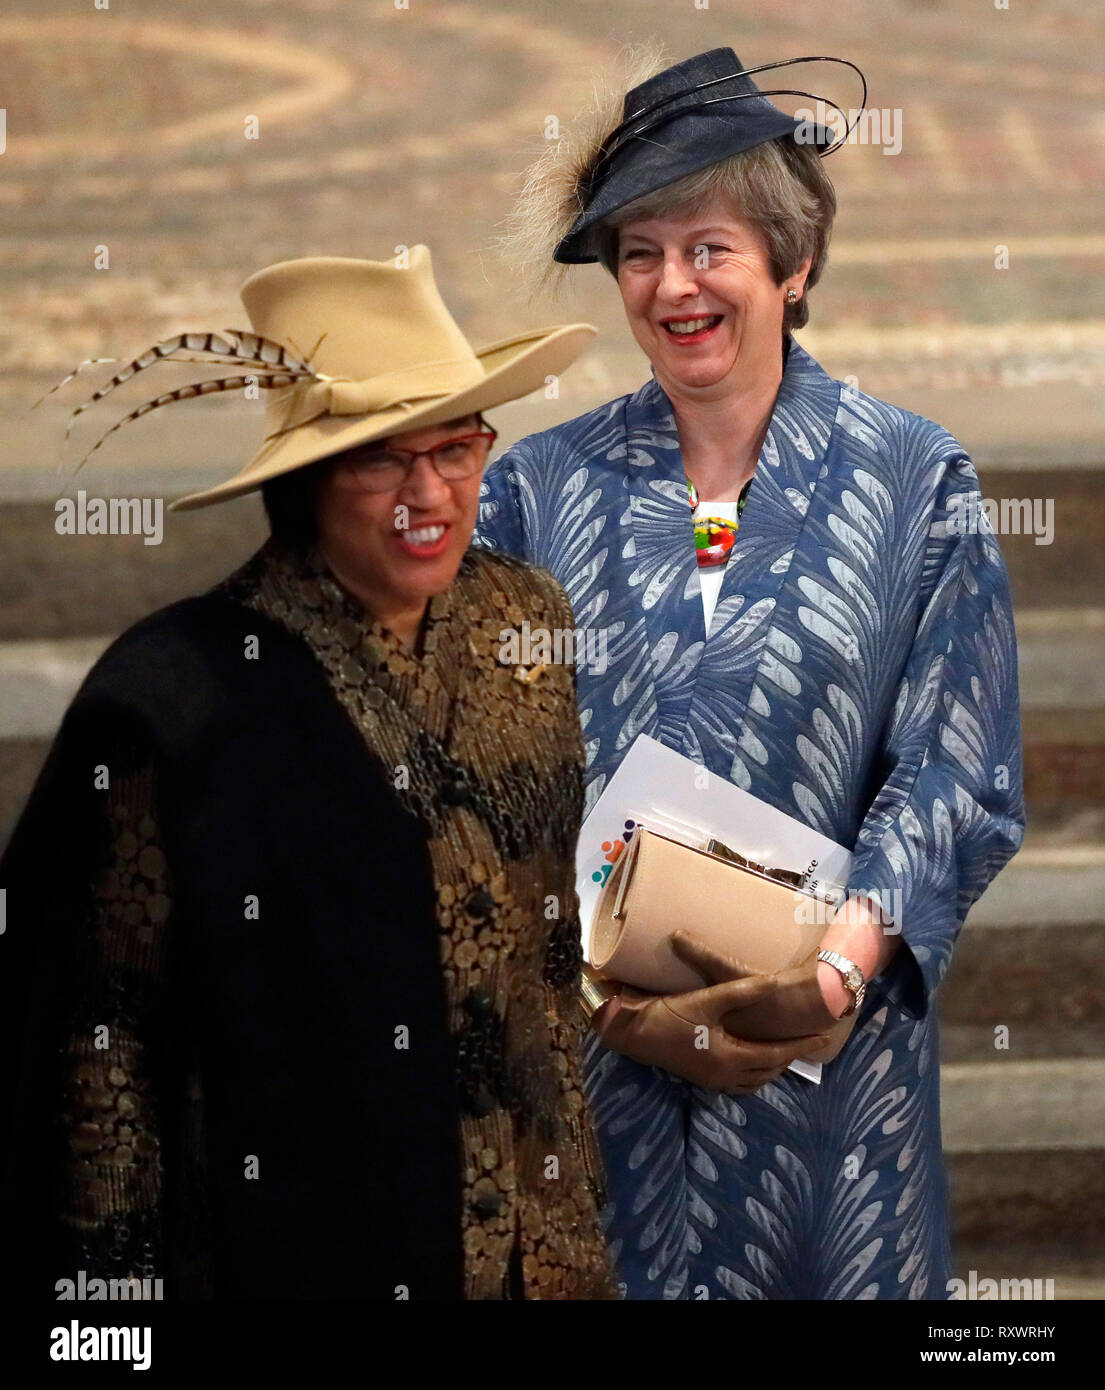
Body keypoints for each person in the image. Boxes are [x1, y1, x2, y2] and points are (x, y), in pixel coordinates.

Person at [474, 47, 1026, 1299]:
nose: (673, 285)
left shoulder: (912, 481)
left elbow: (958, 765)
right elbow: (485, 765)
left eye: (708, 247)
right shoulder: (534, 487)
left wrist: (834, 964)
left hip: (829, 1078)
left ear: (794, 263)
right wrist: (599, 985)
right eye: (639, 253)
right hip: (597, 1073)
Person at [0, 246, 621, 1300]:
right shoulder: (175, 699)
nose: (430, 494)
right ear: (305, 481)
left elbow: (544, 965)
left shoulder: (526, 623)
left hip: (533, 1259)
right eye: (382, 459)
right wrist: (108, 1303)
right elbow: (100, 1046)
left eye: (457, 448)